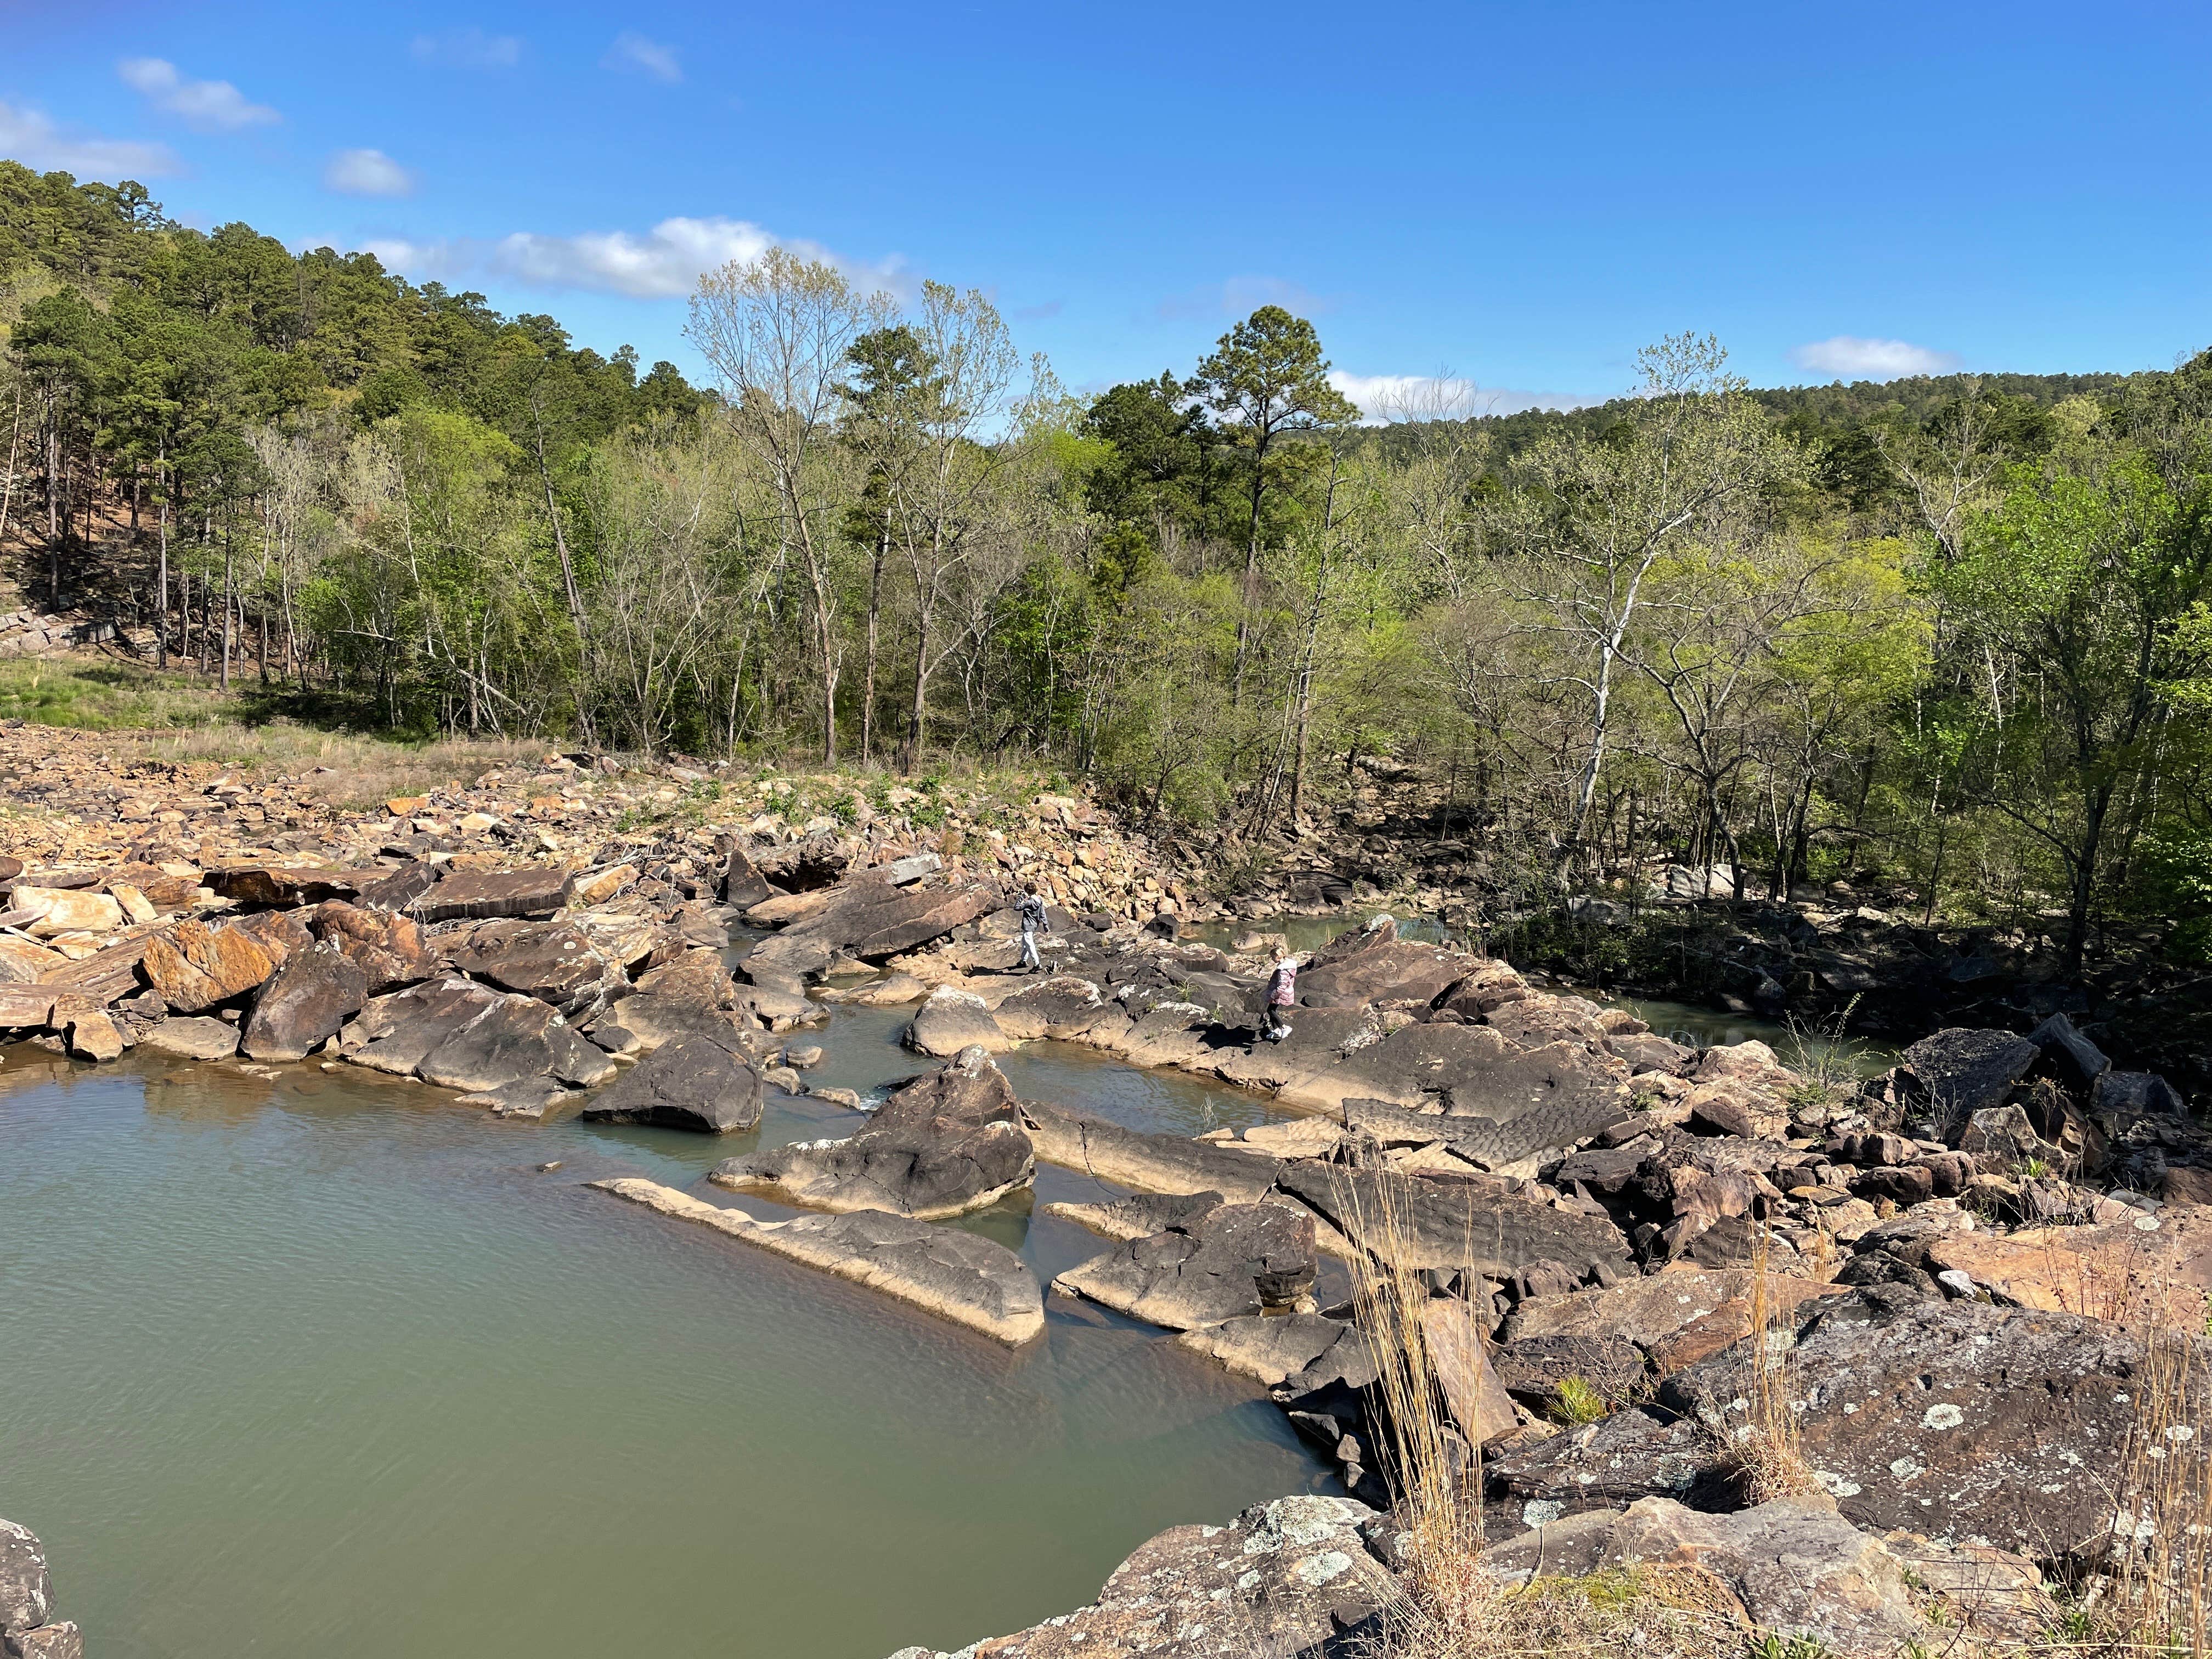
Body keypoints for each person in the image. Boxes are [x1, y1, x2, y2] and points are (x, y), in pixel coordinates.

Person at [1264, 954, 1300, 1042]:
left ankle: (1284, 1028)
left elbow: (1282, 986)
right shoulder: (1287, 965)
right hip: (1283, 992)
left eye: (1273, 957)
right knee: (1272, 1010)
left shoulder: (1283, 970)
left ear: (1277, 956)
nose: (1272, 959)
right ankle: (1276, 1031)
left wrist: (1274, 995)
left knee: (1271, 1011)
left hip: (1279, 993)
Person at [1016, 883, 1048, 973]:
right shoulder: (1039, 900)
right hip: (1035, 924)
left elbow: (1017, 907)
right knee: (1024, 942)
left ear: (1027, 891)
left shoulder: (1029, 902)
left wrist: (1022, 898)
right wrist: (1046, 925)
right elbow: (1043, 913)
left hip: (1028, 925)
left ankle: (1037, 964)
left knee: (1029, 943)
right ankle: (1023, 960)